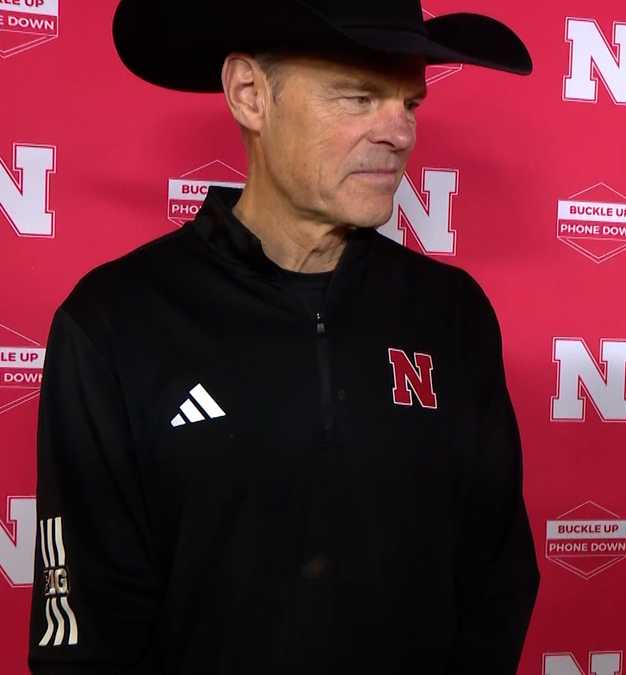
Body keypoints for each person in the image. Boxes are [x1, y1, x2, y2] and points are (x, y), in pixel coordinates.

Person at [28, 1, 539, 672]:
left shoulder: (452, 314)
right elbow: (84, 628)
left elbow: (496, 580)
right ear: (250, 96)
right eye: (358, 96)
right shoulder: (114, 321)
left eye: (408, 103)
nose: (399, 132)